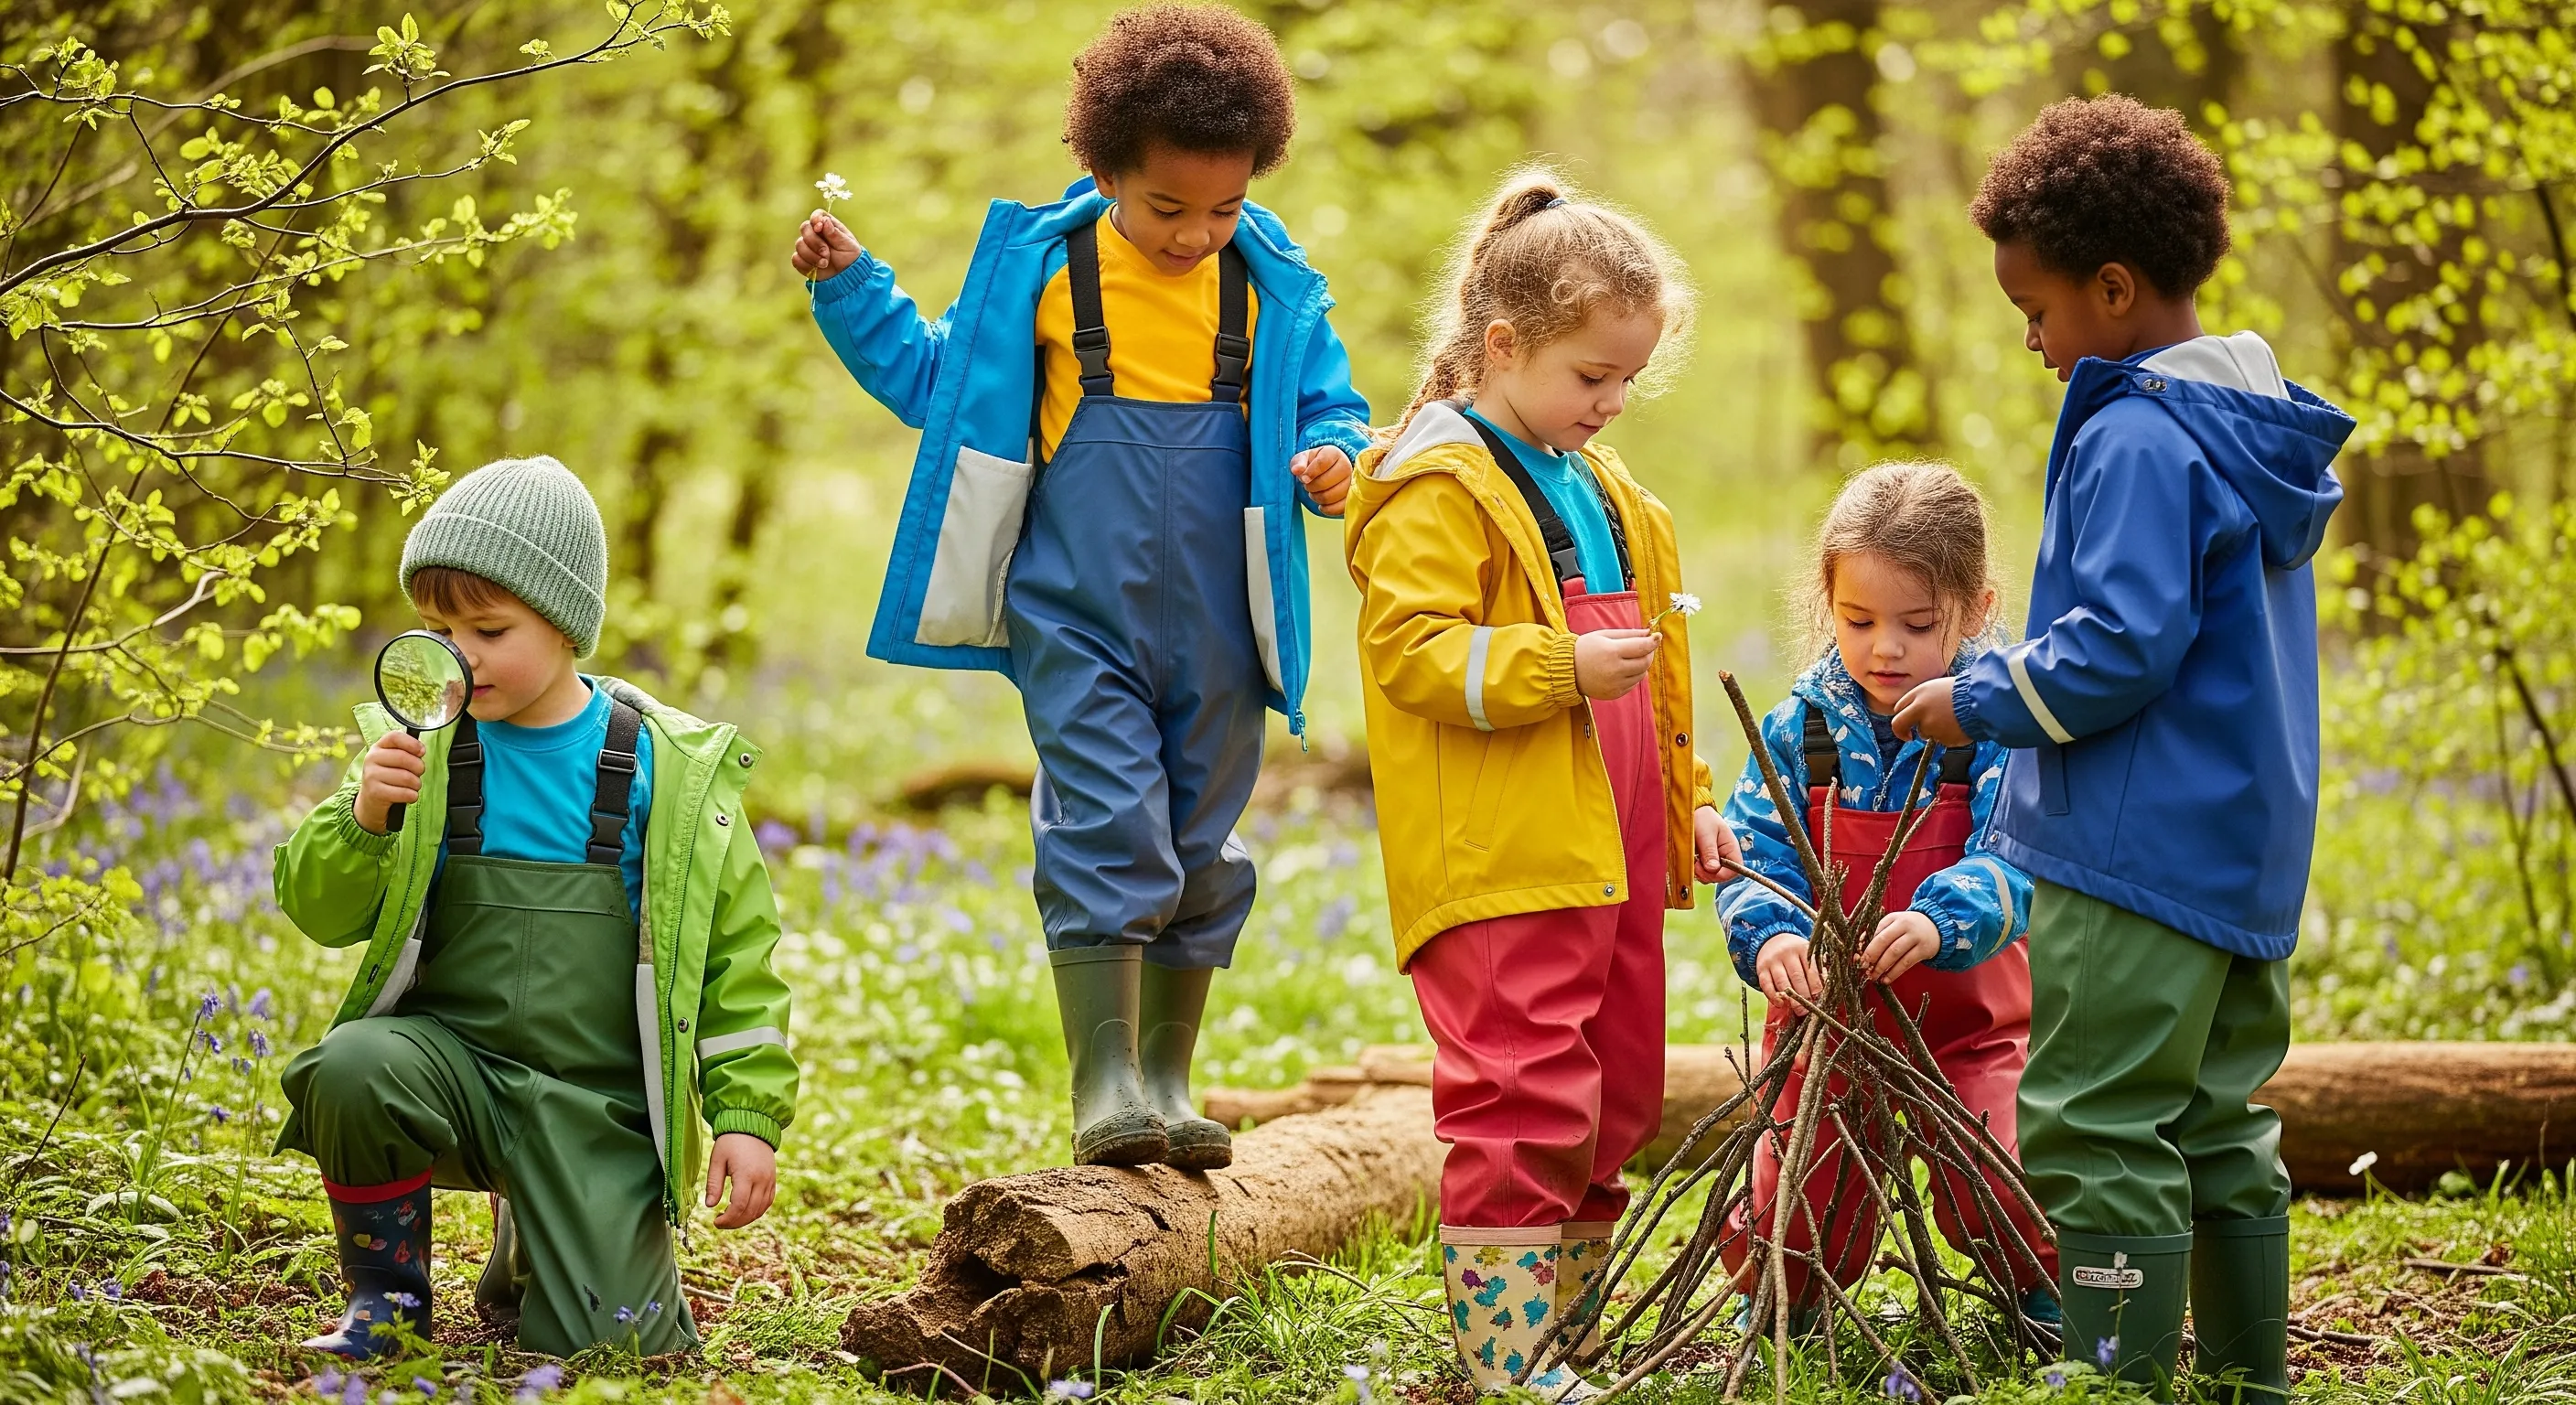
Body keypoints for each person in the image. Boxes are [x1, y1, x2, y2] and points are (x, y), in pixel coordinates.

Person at [790, 5, 1371, 1172]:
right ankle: (1103, 1078)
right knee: (1108, 816)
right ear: (1104, 169)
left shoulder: (1272, 291)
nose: (1196, 234)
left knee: (1202, 837)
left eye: (1224, 207)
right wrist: (855, 289)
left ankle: (1166, 1074)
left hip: (1223, 616)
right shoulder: (1044, 274)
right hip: (1076, 610)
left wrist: (1331, 458)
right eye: (1167, 208)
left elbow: (1329, 408)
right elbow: (930, 384)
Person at [1893, 95, 2356, 1400]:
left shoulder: (2140, 432)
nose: (2035, 342)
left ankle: (2109, 1378)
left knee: (2093, 1115)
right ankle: (2245, 1383)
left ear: (2111, 286)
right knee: (2217, 1121)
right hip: (2244, 855)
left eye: (2036, 311)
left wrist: (1975, 696)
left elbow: (2120, 646)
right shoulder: (2249, 426)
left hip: (2131, 853)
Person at [1343, 169, 1740, 1398]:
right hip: (1503, 854)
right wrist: (1554, 663)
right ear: (1503, 346)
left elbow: (1659, 684)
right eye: (1590, 377)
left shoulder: (1610, 492)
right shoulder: (1438, 482)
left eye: (1628, 379)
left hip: (1610, 853)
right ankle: (1505, 1362)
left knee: (1612, 1092)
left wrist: (1697, 795)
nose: (1612, 403)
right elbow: (1409, 652)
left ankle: (1563, 1335)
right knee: (1523, 1091)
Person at [272, 456, 798, 1358]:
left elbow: (734, 959)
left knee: (616, 1353)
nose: (458, 655)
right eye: (437, 628)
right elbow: (318, 910)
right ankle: (385, 1305)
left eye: (488, 627)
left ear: (565, 627)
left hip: (595, 1110)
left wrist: (746, 1117)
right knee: (352, 1066)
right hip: (452, 1073)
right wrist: (366, 818)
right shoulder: (417, 756)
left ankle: (535, 1239)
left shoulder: (665, 774)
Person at [1713, 461, 2058, 1327]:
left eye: (1916, 623)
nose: (1884, 648)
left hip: (1968, 1025)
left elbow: (2021, 853)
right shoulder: (1805, 728)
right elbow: (1759, 849)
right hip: (1829, 1023)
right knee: (1798, 1211)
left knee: (2005, 1184)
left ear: (1977, 609)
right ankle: (1788, 1305)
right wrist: (1773, 937)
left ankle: (2054, 1304)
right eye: (1858, 620)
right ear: (1825, 602)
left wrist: (1945, 919)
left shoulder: (1998, 725)